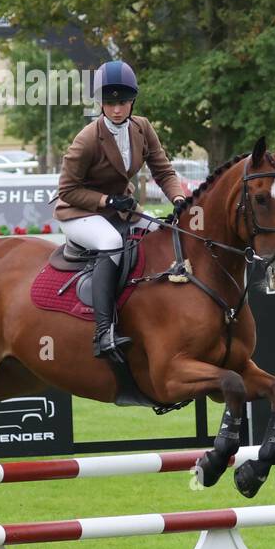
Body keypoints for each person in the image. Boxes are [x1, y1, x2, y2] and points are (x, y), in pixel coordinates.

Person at [54, 60, 188, 361]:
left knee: (163, 233)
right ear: (101, 103)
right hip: (79, 212)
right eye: (110, 102)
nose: (117, 109)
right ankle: (104, 332)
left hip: (121, 209)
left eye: (123, 102)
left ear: (133, 101)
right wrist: (107, 202)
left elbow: (163, 171)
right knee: (111, 243)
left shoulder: (142, 128)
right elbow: (67, 190)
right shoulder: (87, 138)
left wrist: (179, 199)